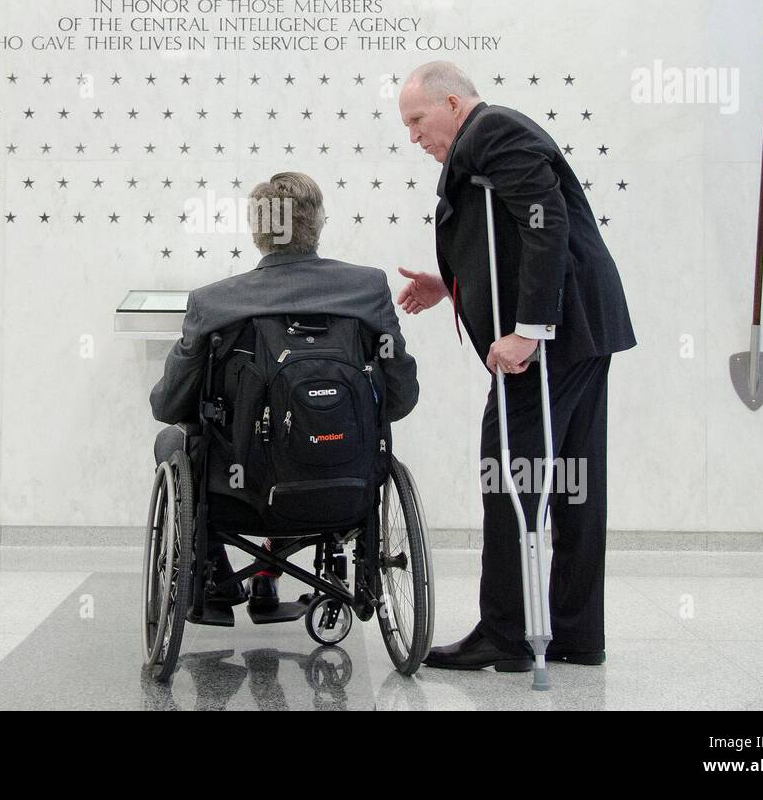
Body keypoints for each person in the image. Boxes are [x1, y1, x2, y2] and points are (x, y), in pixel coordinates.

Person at [396, 61, 635, 671]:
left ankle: (505, 635)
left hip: (555, 337)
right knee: (574, 477)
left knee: (509, 471)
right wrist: (452, 285)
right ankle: (578, 635)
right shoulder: (486, 138)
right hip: (584, 327)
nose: (415, 137)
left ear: (453, 102)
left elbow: (542, 219)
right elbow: (508, 234)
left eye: (419, 120)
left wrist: (529, 331)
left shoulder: (493, 131)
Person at [150, 172, 420, 611]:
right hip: (345, 487)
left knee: (172, 441)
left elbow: (170, 405)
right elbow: (401, 396)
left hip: (240, 496)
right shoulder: (366, 289)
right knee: (300, 446)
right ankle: (270, 568)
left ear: (258, 233)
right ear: (318, 224)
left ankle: (215, 575)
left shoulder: (214, 303)